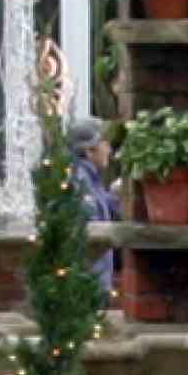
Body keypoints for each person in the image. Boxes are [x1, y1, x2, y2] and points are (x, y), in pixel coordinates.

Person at [67, 115, 118, 294]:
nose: (110, 150)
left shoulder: (90, 179)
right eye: (105, 143)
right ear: (89, 151)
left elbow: (103, 206)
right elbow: (90, 231)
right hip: (87, 289)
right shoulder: (80, 181)